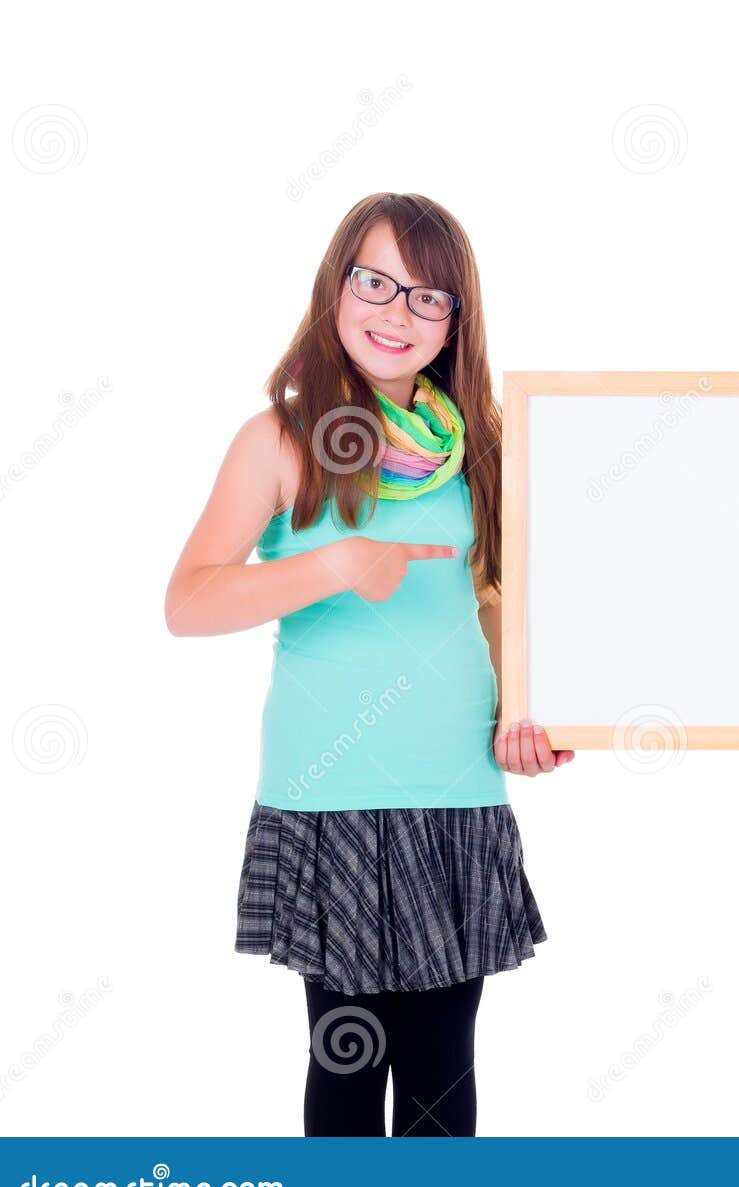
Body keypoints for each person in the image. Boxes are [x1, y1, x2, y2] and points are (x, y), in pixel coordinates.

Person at [165, 191, 574, 1136]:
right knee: (348, 1061)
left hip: (456, 790)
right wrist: (335, 563)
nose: (398, 313)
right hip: (329, 791)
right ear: (336, 288)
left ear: (454, 322)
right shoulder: (279, 439)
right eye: (377, 283)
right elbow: (189, 602)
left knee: (441, 1067)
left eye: (428, 297)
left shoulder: (483, 446)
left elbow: (499, 599)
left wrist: (529, 712)